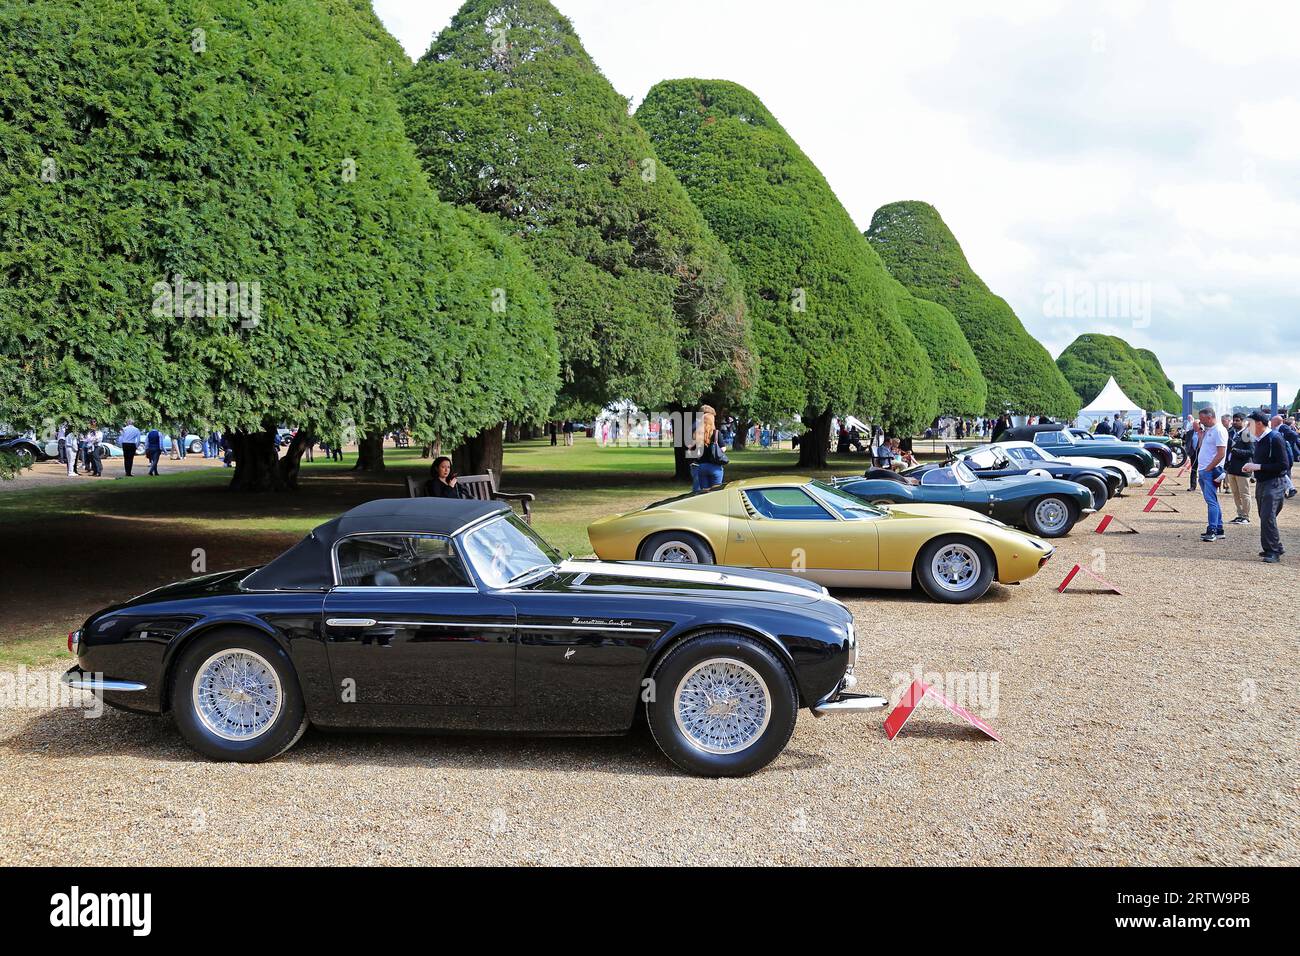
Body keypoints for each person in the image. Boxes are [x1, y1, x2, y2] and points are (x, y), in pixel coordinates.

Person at [1243, 411, 1288, 563]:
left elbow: (1284, 465)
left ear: (1259, 424)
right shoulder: (1261, 439)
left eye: (1250, 424)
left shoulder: (1275, 438)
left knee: (1268, 516)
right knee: (1265, 516)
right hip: (1263, 482)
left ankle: (1273, 551)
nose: (1248, 427)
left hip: (1274, 482)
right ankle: (1274, 546)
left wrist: (1257, 466)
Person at [1193, 407, 1228, 542]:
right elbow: (1202, 447)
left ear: (1209, 417)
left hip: (1211, 470)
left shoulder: (1219, 430)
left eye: (1202, 419)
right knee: (1212, 499)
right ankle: (1218, 528)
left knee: (1211, 500)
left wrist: (1208, 468)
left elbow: (1221, 453)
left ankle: (1212, 529)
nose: (1201, 422)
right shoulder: (1208, 430)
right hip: (1205, 469)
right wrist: (1201, 435)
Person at [1224, 418, 1254, 525]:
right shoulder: (1232, 433)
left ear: (1243, 422)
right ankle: (1240, 514)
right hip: (1232, 468)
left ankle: (1246, 516)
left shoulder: (1247, 434)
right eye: (1234, 420)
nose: (1235, 422)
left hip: (1242, 469)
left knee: (1244, 493)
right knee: (1235, 494)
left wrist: (1236, 451)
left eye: (1238, 420)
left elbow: (1251, 452)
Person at [690, 407, 726, 492]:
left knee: (703, 492)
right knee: (716, 491)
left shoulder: (697, 433)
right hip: (715, 466)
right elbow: (723, 448)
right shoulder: (716, 433)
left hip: (701, 466)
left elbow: (691, 448)